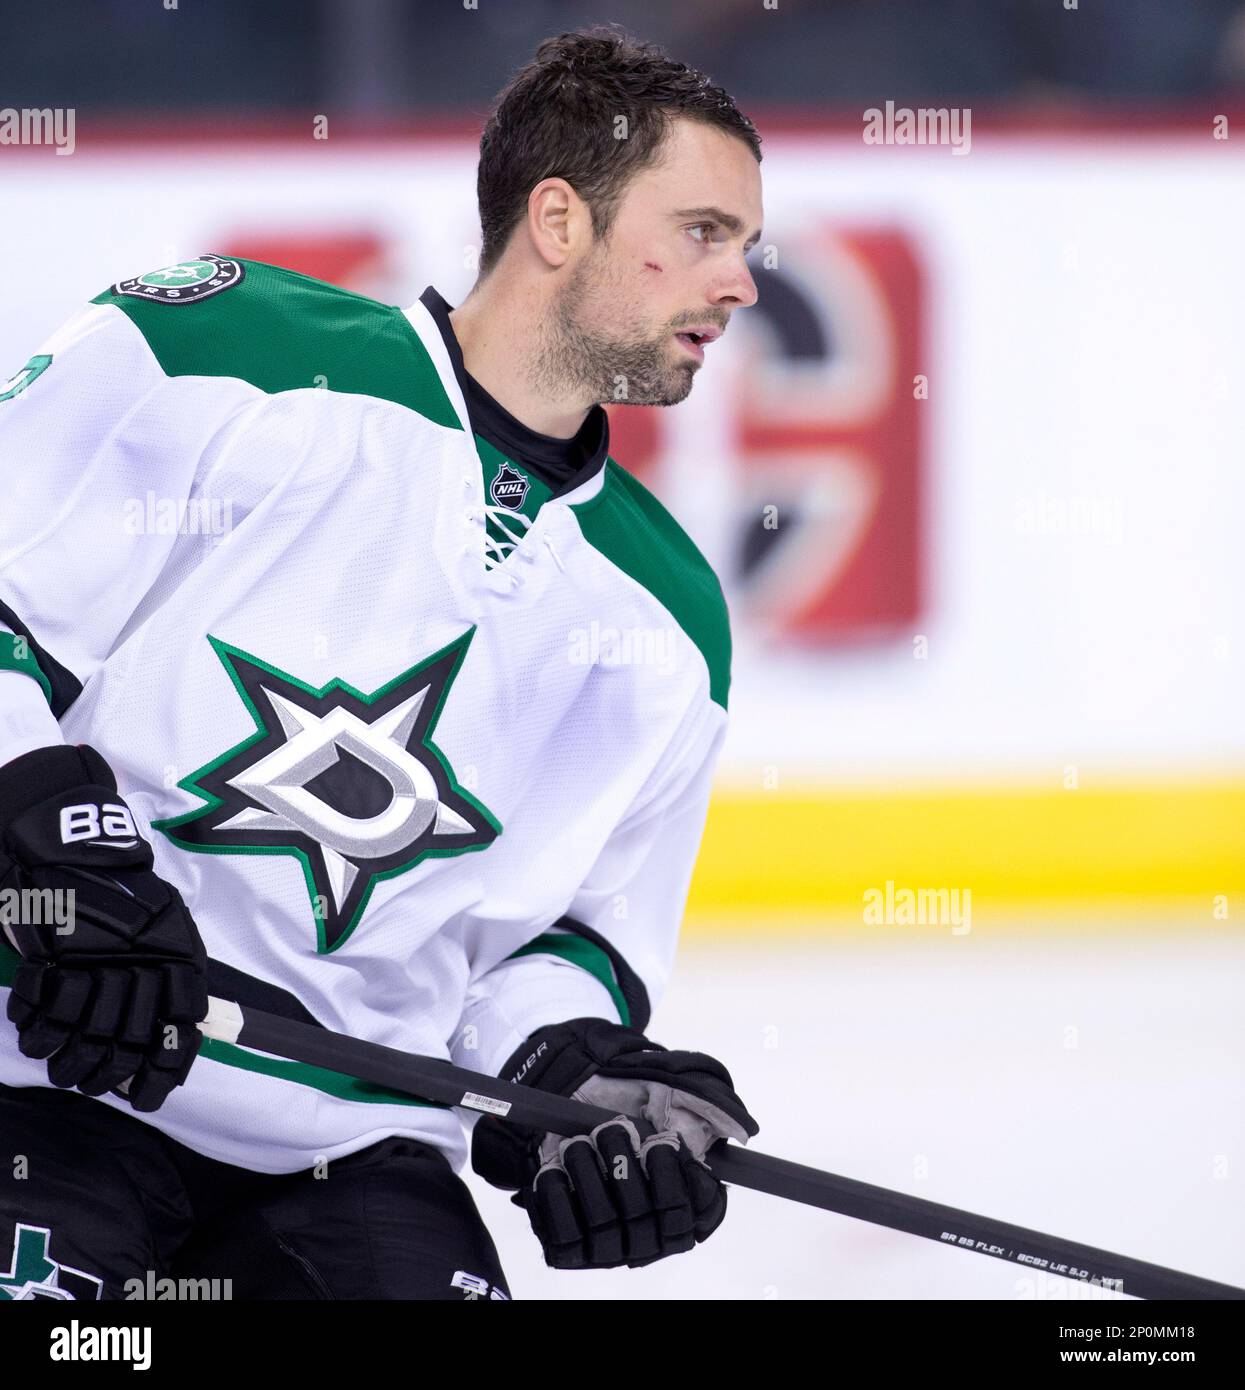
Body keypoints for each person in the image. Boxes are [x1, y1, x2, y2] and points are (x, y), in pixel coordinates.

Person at [0, 25, 764, 1301]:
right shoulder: (230, 348)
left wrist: (568, 1092)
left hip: (349, 1153)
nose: (740, 282)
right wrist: (51, 859)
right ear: (559, 220)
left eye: (746, 244)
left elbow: (564, 943)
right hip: (47, 1074)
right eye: (702, 232)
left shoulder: (671, 619)